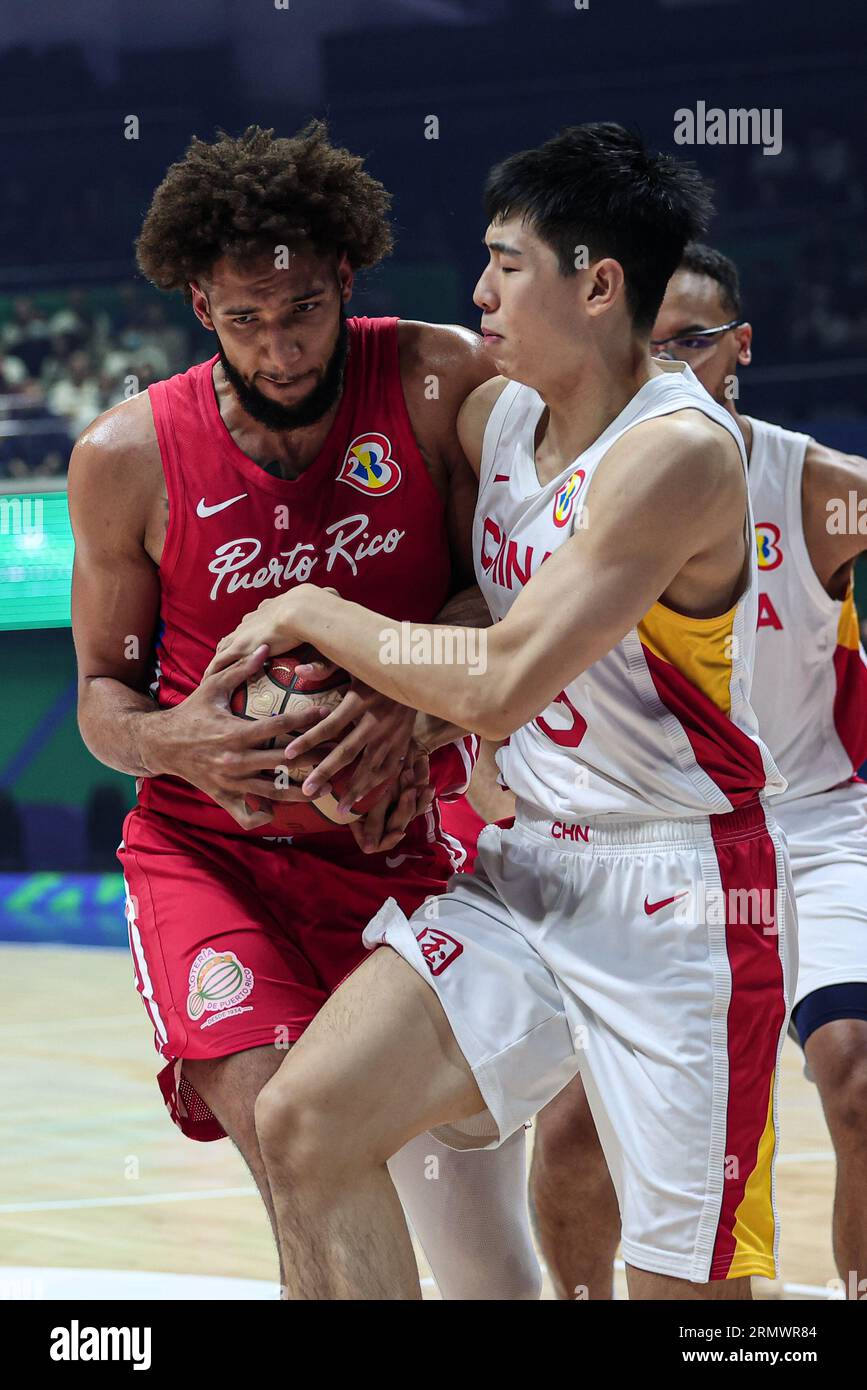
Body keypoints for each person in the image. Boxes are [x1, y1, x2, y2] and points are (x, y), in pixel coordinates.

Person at [209, 123, 796, 1300]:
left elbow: (502, 677)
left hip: (677, 897)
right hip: (524, 868)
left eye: (505, 263)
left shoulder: (677, 453)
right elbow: (360, 414)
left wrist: (317, 611)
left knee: (687, 1298)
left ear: (598, 285)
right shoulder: (501, 417)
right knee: (306, 1123)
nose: (478, 290)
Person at [69, 121, 540, 1300]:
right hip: (210, 853)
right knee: (288, 1131)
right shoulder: (125, 455)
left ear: (346, 277)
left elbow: (506, 591)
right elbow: (102, 697)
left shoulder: (438, 381)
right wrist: (172, 739)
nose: (279, 349)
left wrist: (415, 702)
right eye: (245, 320)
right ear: (198, 303)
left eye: (304, 312)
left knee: (413, 1188)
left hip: (404, 835)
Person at [530, 242, 867, 1300]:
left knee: (855, 1075)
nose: (670, 363)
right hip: (663, 838)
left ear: (742, 346)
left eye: (695, 342)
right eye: (651, 343)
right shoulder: (575, 484)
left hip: (812, 825)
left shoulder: (817, 489)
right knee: (574, 1132)